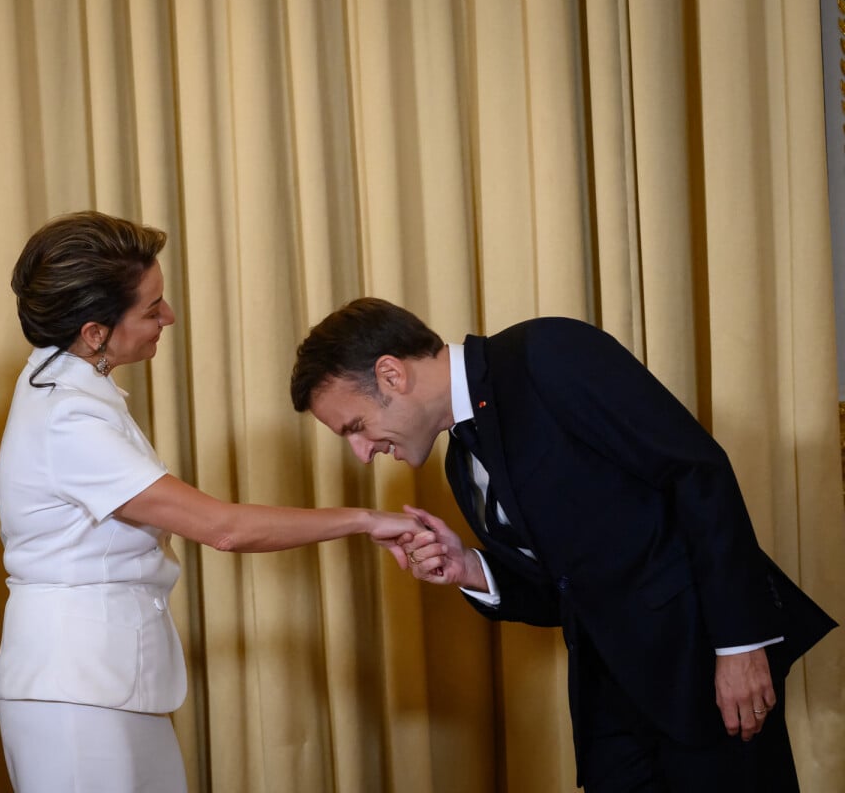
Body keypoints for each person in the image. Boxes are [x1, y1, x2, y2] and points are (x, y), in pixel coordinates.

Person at [289, 297, 837, 792]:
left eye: (355, 426)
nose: (361, 453)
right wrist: (470, 570)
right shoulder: (460, 462)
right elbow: (567, 591)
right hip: (609, 712)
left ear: (391, 374)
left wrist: (739, 646)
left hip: (705, 676)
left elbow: (696, 472)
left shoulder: (545, 352)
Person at [0, 211, 419, 792]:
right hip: (76, 689)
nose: (168, 316)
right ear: (95, 332)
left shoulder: (68, 387)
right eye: (151, 307)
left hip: (102, 682)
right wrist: (367, 520)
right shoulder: (68, 415)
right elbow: (223, 528)